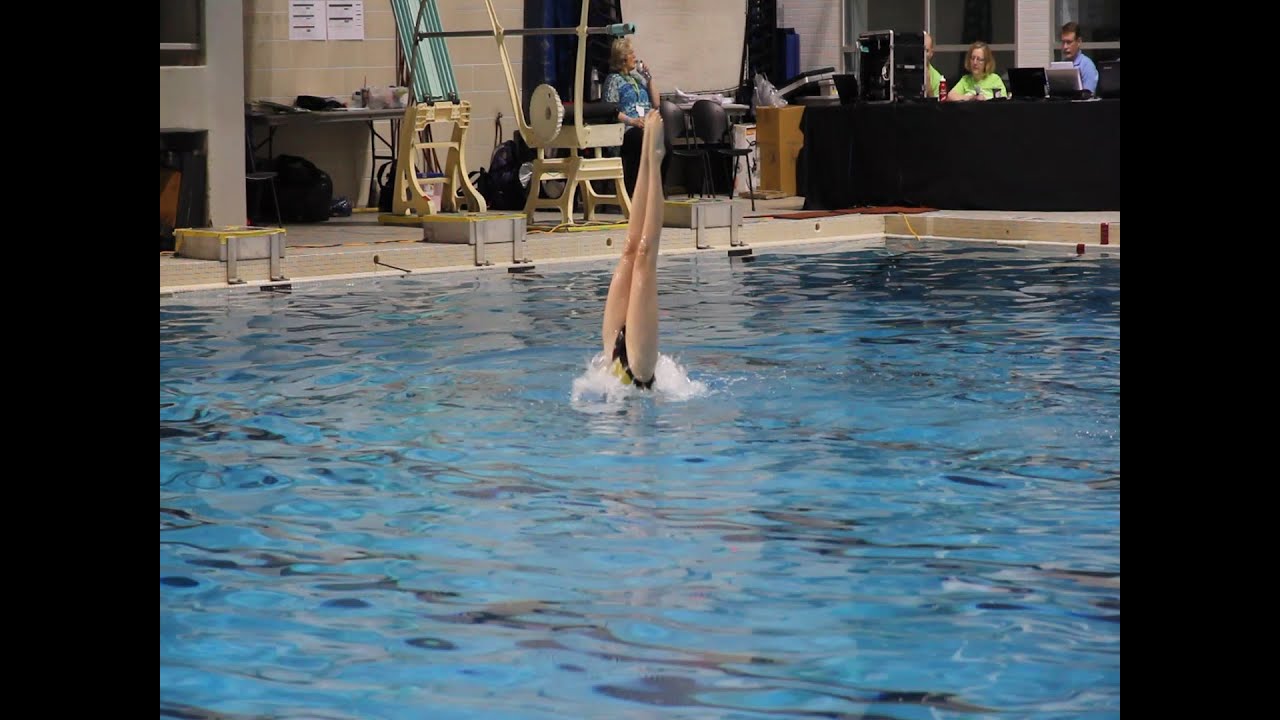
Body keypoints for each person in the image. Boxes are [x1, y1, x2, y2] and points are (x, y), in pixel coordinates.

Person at [599, 109, 665, 390]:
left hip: (621, 361)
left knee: (635, 252)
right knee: (640, 254)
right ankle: (652, 159)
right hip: (637, 369)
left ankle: (651, 157)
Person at [603, 37, 659, 197]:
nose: (635, 57)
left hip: (645, 126)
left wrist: (649, 78)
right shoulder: (613, 80)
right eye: (631, 53)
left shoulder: (638, 78)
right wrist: (632, 121)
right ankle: (633, 191)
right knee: (640, 140)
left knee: (664, 143)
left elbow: (656, 103)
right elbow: (610, 110)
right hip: (626, 130)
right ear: (622, 58)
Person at [1060, 21, 1099, 95]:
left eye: (1069, 42)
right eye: (1063, 42)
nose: (1065, 47)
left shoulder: (1087, 65)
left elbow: (1088, 96)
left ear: (1078, 42)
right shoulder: (1061, 65)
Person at [924, 32, 945, 98]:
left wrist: (929, 88)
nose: (922, 54)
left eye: (926, 51)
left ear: (931, 53)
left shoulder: (937, 78)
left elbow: (936, 104)